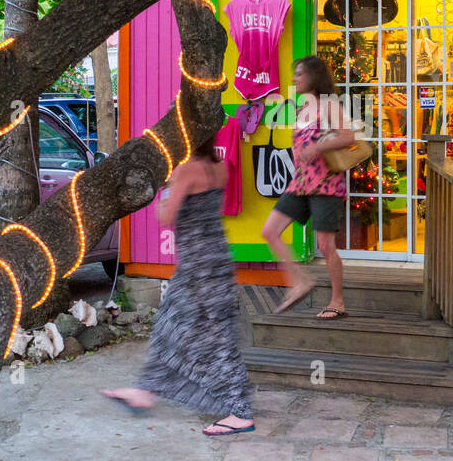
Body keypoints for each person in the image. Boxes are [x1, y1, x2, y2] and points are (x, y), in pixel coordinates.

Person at [102, 134, 255, 436]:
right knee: (169, 324)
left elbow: (164, 217)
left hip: (199, 267)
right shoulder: (220, 165)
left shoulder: (185, 170)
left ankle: (240, 412)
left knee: (215, 338)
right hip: (214, 259)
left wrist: (168, 188)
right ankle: (146, 390)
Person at [262, 55, 356, 319]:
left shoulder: (328, 106)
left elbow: (348, 136)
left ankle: (338, 301)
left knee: (325, 246)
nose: (294, 78)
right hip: (300, 183)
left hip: (326, 184)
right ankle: (300, 280)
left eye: (299, 74)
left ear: (313, 76)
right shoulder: (302, 108)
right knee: (269, 230)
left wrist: (317, 146)